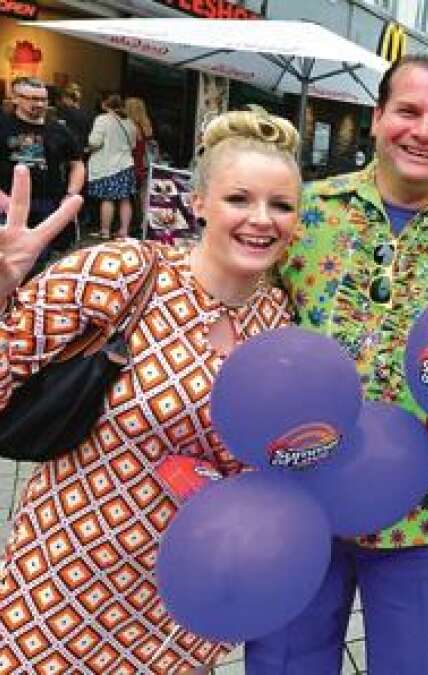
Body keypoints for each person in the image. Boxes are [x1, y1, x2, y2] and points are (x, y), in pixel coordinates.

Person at [246, 54, 428, 674]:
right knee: (285, 663)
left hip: (423, 516)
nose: (424, 131)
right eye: (408, 111)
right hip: (300, 497)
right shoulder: (307, 214)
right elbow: (244, 316)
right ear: (377, 117)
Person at [0, 108, 301, 673]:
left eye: (281, 205)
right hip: (67, 591)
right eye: (239, 199)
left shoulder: (280, 322)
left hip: (185, 611)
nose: (261, 220)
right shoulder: (124, 272)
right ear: (199, 202)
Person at [0, 77, 85, 256]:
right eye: (32, 99)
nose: (39, 104)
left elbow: (77, 164)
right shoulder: (3, 125)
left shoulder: (59, 130)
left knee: (41, 258)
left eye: (43, 99)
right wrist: (2, 198)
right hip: (8, 203)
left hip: (46, 204)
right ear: (15, 98)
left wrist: (70, 195)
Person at [86, 93, 138, 239]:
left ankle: (105, 231)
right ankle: (124, 231)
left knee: (108, 199)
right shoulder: (129, 122)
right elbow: (133, 145)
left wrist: (89, 147)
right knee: (125, 199)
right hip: (126, 165)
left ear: (104, 105)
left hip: (109, 166)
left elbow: (95, 142)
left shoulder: (102, 119)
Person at [125, 96, 157, 216]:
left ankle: (130, 220)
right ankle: (142, 220)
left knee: (126, 198)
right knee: (143, 195)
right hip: (144, 165)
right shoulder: (146, 127)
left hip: (131, 165)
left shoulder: (129, 128)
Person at [55, 82, 93, 146]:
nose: (62, 101)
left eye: (62, 97)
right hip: (83, 147)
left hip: (69, 148)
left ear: (67, 97)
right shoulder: (87, 112)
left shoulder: (65, 113)